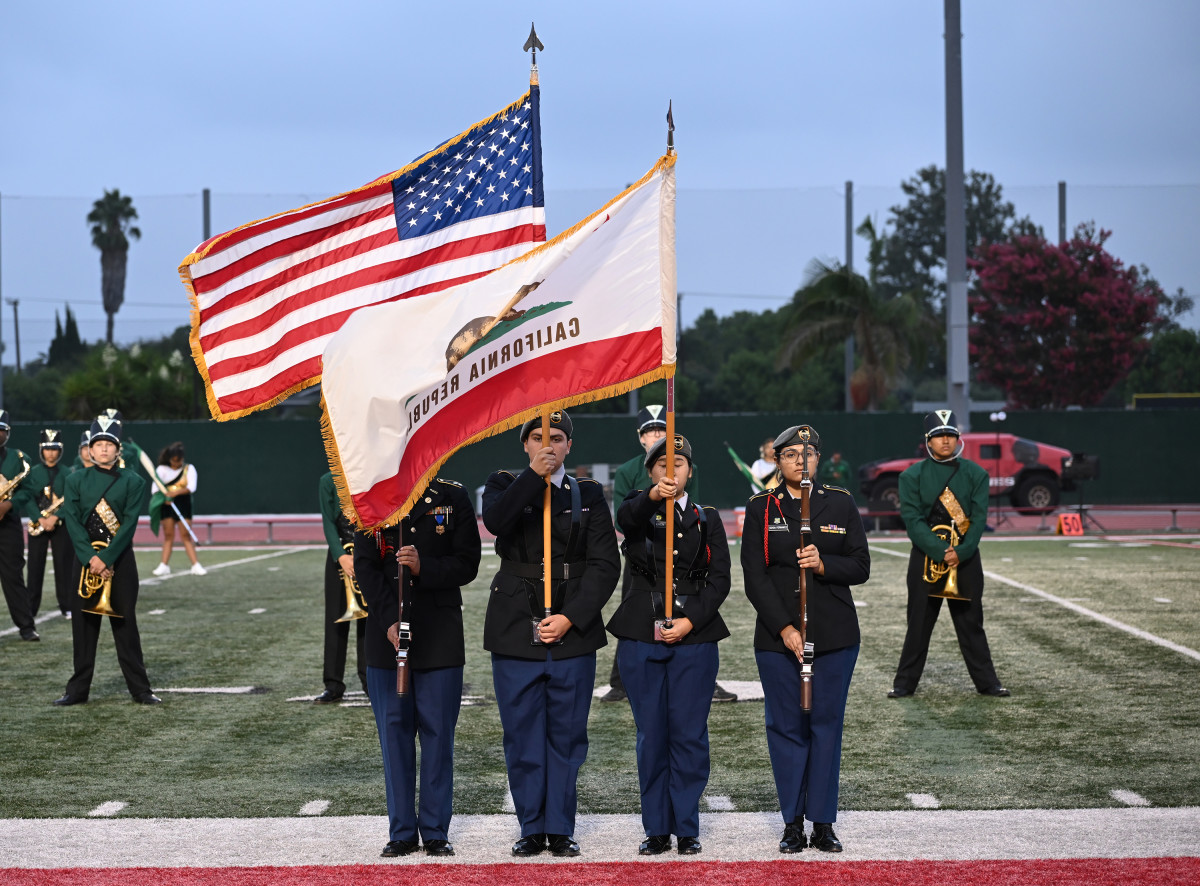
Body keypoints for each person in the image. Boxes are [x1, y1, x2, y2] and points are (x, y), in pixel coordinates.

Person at [482, 410, 620, 858]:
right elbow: (498, 522)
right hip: (513, 623)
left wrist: (571, 617)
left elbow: (605, 565)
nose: (549, 445)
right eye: (538, 437)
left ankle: (559, 828)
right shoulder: (503, 483)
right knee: (521, 734)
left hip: (572, 628)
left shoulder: (589, 494)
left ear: (569, 446)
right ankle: (530, 827)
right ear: (525, 445)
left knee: (567, 735)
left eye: (557, 438)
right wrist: (533, 478)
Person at [741, 425, 869, 854]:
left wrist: (823, 564)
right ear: (777, 460)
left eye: (809, 452)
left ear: (818, 458)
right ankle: (792, 823)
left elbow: (860, 566)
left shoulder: (841, 502)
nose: (801, 459)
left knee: (826, 729)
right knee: (786, 729)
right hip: (779, 639)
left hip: (834, 636)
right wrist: (786, 629)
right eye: (792, 453)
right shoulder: (762, 506)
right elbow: (755, 578)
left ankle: (823, 824)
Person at [608, 433, 731, 856]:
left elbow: (720, 580)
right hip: (642, 633)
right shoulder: (637, 510)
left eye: (678, 465)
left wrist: (690, 620)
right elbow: (626, 520)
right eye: (662, 465)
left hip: (694, 636)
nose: (670, 471)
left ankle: (687, 827)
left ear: (690, 472)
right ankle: (656, 828)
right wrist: (650, 497)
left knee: (690, 735)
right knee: (651, 736)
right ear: (650, 472)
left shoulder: (706, 517)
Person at [354, 477, 481, 858]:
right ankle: (402, 831)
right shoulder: (371, 496)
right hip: (384, 636)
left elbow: (467, 563)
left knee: (438, 736)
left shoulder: (452, 495)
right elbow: (365, 565)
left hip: (439, 634)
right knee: (394, 738)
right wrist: (388, 620)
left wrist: (425, 566)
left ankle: (436, 831)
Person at [603, 406, 732, 704]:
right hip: (644, 556)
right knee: (635, 612)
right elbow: (625, 518)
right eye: (650, 432)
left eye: (661, 431)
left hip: (685, 555)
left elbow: (694, 509)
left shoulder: (689, 471)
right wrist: (653, 496)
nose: (656, 435)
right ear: (641, 439)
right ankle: (619, 680)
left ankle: (706, 677)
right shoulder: (628, 471)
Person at [888, 411, 1009, 699]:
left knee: (971, 624)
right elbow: (913, 520)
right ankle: (904, 683)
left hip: (965, 559)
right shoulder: (911, 476)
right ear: (928, 441)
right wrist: (943, 551)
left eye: (950, 435)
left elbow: (978, 520)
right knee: (918, 624)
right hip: (927, 558)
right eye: (939, 436)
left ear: (958, 438)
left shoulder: (976, 474)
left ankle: (987, 683)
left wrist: (962, 551)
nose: (945, 441)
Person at [53, 416, 159, 705]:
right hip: (86, 562)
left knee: (125, 626)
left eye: (108, 445)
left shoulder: (133, 481)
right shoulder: (74, 480)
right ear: (89, 449)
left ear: (117, 449)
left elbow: (129, 524)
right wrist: (92, 559)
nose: (102, 450)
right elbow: (73, 523)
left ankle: (140, 689)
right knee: (84, 628)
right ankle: (77, 691)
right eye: (97, 444)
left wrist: (108, 557)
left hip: (121, 562)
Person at [312, 470, 367, 703]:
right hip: (339, 558)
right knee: (335, 620)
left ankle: (369, 681)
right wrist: (340, 555)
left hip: (367, 553)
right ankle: (333, 684)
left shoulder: (369, 474)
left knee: (369, 621)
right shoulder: (327, 481)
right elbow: (328, 521)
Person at [18, 430, 74, 619]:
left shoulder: (68, 473)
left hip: (60, 524)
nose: (51, 453)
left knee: (64, 565)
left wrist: (56, 517)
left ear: (61, 451)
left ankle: (67, 606)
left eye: (55, 449)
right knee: (34, 567)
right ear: (41, 450)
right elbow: (27, 498)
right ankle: (30, 609)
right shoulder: (32, 473)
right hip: (38, 524)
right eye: (47, 449)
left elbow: (72, 501)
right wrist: (39, 518)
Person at [0, 411, 39, 642]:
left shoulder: (19, 458)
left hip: (8, 524)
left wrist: (10, 504)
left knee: (13, 576)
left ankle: (26, 627)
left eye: (1, 429)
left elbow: (29, 488)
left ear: (8, 433)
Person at [150, 442, 206, 577]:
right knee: (168, 535)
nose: (176, 464)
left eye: (179, 460)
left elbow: (191, 487)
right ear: (169, 459)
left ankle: (195, 565)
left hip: (183, 504)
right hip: (167, 505)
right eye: (174, 461)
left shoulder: (189, 468)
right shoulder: (161, 470)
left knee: (186, 535)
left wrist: (174, 494)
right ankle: (164, 565)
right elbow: (155, 489)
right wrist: (165, 497)